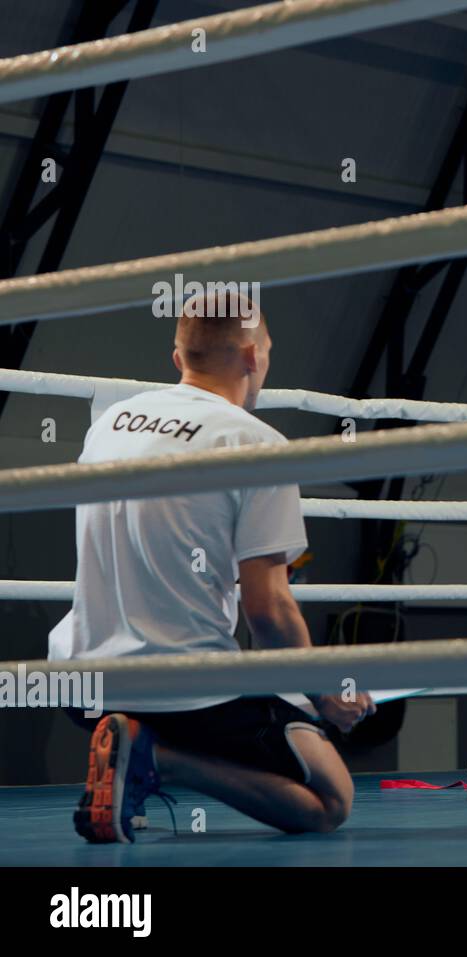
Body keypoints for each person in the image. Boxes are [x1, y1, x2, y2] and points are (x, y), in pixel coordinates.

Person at [50, 290, 374, 843]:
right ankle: (160, 759)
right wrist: (323, 693)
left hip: (79, 682)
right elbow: (268, 611)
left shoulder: (110, 424)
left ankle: (134, 751)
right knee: (330, 799)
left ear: (179, 361)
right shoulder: (257, 444)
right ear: (253, 357)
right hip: (184, 691)